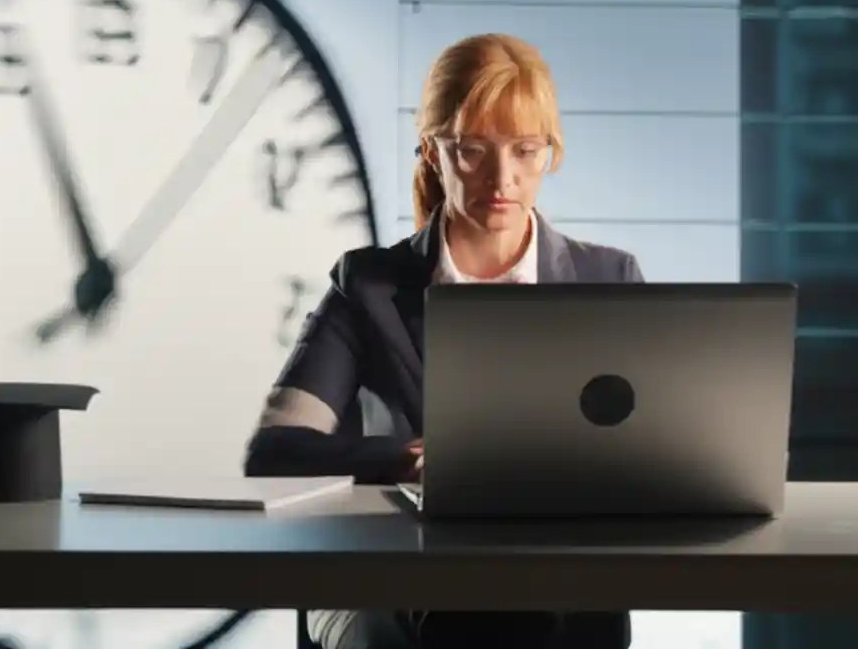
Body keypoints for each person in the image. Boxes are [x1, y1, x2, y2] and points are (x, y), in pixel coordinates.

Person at [244, 33, 643, 648]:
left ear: (550, 155)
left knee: (518, 613)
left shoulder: (609, 281)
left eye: (525, 150)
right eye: (472, 151)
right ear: (432, 151)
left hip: (553, 579)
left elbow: (646, 455)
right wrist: (401, 461)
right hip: (388, 578)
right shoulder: (367, 287)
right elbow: (275, 453)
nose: (501, 178)